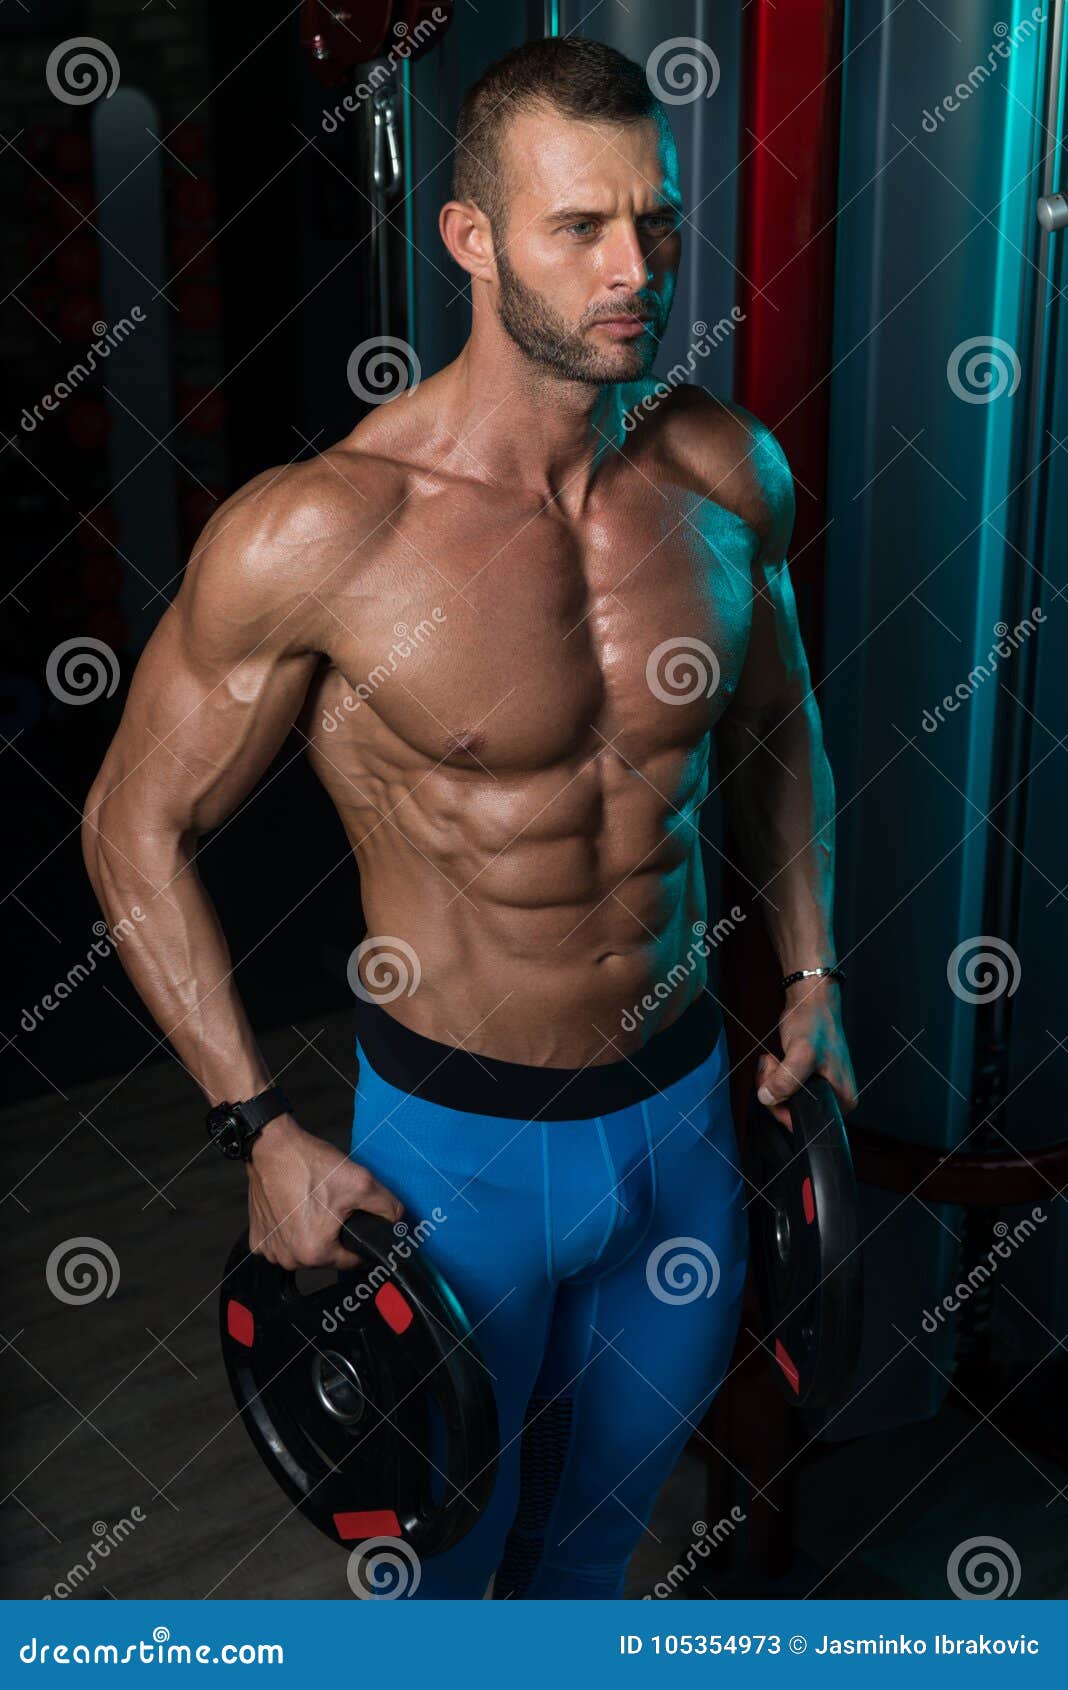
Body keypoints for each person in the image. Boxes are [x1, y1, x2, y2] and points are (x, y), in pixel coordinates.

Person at [83, 36, 857, 1599]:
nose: (632, 267)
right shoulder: (325, 533)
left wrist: (817, 972)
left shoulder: (722, 473)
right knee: (440, 1587)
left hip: (685, 1126)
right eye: (579, 228)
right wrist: (257, 1128)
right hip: (458, 1161)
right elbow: (128, 824)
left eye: (652, 221)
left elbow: (777, 732)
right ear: (472, 239)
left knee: (588, 1556)